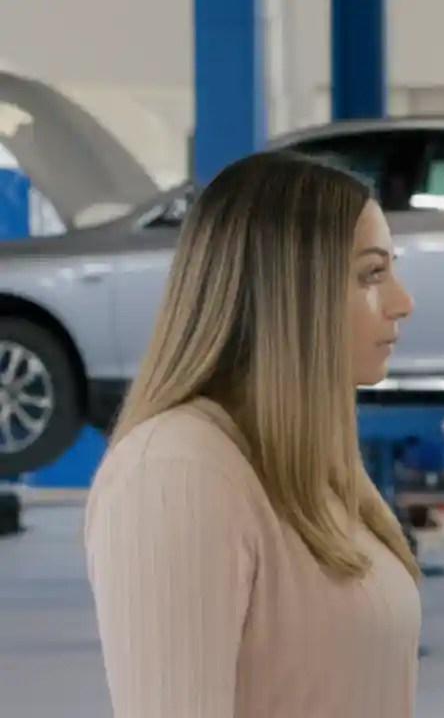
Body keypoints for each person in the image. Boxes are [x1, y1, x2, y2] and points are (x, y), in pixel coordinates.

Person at [83, 151, 421, 717]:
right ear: (289, 290)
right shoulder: (176, 474)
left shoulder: (306, 466)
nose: (402, 302)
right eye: (371, 274)